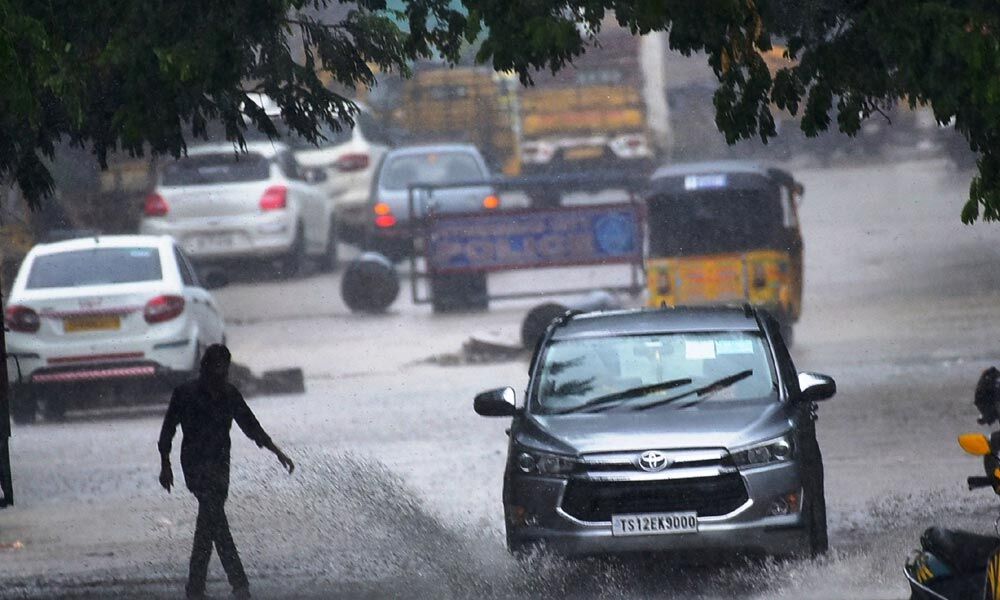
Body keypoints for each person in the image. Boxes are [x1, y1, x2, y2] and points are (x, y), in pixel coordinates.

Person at [158, 344, 294, 599]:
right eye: (217, 369)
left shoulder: (229, 394)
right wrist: (165, 465)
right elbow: (168, 430)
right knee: (215, 522)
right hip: (195, 466)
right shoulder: (185, 393)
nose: (221, 375)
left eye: (224, 370)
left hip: (220, 466)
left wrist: (277, 451)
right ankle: (239, 585)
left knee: (209, 525)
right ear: (206, 368)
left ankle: (196, 588)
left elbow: (250, 426)